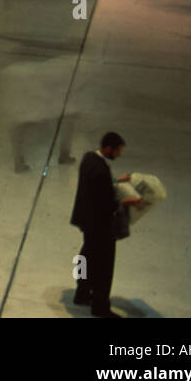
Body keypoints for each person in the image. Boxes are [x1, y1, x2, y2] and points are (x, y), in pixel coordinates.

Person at [70, 131, 141, 317]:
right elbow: (107, 203)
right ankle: (100, 307)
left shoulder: (89, 159)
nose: (119, 154)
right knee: (103, 267)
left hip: (87, 222)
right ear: (109, 148)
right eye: (118, 151)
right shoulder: (101, 170)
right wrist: (127, 201)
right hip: (101, 226)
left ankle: (82, 292)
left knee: (87, 256)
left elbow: (97, 187)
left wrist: (116, 181)